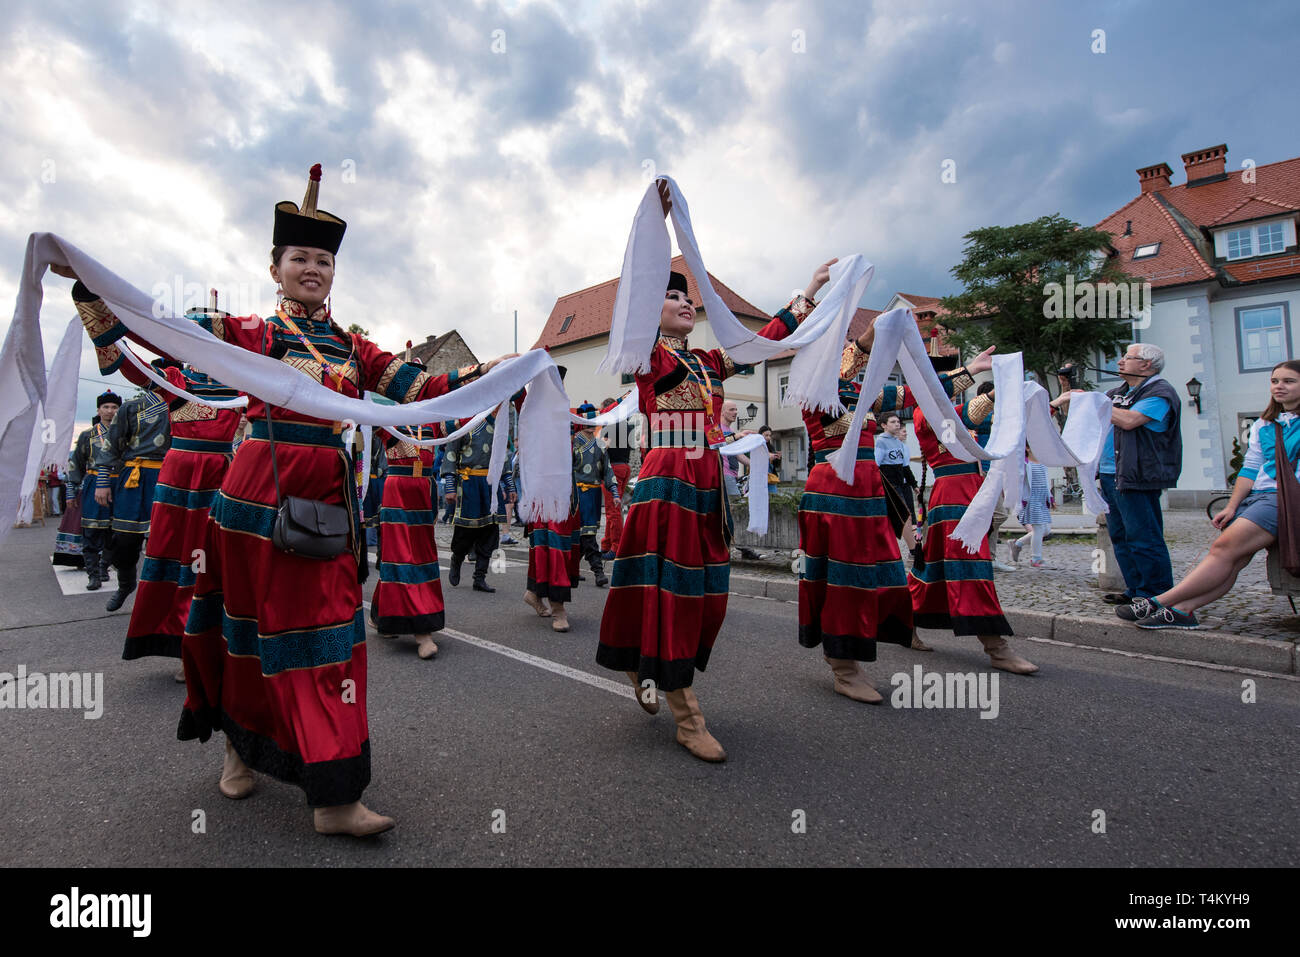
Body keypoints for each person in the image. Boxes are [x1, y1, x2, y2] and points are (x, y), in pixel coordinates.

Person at [62, 165, 516, 837]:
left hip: (326, 510)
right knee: (246, 634)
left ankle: (334, 797)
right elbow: (176, 332)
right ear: (274, 267)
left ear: (334, 271)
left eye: (323, 259)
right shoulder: (253, 332)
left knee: (333, 640)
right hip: (252, 506)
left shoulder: (353, 347)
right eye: (299, 257)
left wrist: (487, 373)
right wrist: (107, 297)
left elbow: (418, 383)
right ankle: (238, 748)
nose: (312, 267)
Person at [596, 181, 795, 760]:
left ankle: (646, 666)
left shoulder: (708, 361)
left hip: (705, 480)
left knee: (704, 594)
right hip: (667, 479)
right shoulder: (647, 358)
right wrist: (655, 229)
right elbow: (632, 300)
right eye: (672, 297)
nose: (687, 304)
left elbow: (761, 342)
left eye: (689, 300)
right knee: (671, 591)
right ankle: (689, 716)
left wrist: (804, 296)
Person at [765, 266, 986, 698]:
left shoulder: (857, 389)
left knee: (878, 575)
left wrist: (969, 372)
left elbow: (914, 394)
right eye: (839, 340)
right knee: (843, 579)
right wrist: (870, 334)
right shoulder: (811, 386)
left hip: (869, 490)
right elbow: (853, 370)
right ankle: (844, 666)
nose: (846, 347)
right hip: (834, 491)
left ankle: (870, 645)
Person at [69, 296, 243, 668]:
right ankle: (183, 644)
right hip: (181, 475)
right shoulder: (176, 379)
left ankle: (223, 641)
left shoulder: (242, 380)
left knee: (221, 559)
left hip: (225, 474)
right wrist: (95, 308)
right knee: (181, 556)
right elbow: (130, 365)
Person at [1124, 360, 1300, 629]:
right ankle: (1184, 611)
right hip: (1260, 497)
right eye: (1275, 381)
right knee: (1234, 560)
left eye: (1289, 381)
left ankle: (1157, 601)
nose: (1279, 387)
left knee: (1222, 549)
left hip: (1283, 500)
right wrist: (1232, 505)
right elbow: (1250, 469)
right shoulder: (1265, 424)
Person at [910, 375, 1040, 674]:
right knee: (972, 567)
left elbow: (1001, 425)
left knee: (932, 569)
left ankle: (902, 619)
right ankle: (997, 648)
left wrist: (1052, 404)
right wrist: (996, 392)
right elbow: (969, 414)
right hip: (953, 496)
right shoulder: (924, 414)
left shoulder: (947, 412)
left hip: (971, 493)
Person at [90, 360, 172, 613]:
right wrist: (103, 483)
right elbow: (111, 445)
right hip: (134, 477)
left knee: (170, 540)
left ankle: (166, 597)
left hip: (171, 476)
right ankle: (125, 584)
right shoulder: (131, 408)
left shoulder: (185, 405)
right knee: (125, 540)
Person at [371, 413, 444, 660]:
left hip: (424, 493)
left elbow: (463, 420)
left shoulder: (434, 422)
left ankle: (382, 614)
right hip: (397, 494)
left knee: (421, 554)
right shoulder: (391, 420)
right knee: (403, 556)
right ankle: (422, 632)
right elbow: (366, 417)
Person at [440, 412, 515, 593]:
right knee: (465, 531)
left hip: (490, 486)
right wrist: (450, 486)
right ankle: (457, 558)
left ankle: (479, 577)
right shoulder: (464, 423)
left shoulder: (497, 426)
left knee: (490, 533)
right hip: (468, 484)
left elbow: (502, 459)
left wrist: (510, 486)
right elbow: (450, 454)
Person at [65, 391, 121, 587]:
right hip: (94, 483)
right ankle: (93, 575)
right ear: (98, 410)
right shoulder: (87, 435)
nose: (110, 411)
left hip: (119, 485)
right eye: (106, 407)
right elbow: (76, 464)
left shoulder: (126, 434)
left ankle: (104, 566)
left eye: (114, 407)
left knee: (116, 532)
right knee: (92, 530)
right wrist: (71, 491)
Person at [573, 405, 619, 587]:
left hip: (594, 494)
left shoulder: (600, 444)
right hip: (578, 494)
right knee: (588, 535)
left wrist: (614, 492)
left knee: (584, 536)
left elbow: (607, 470)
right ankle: (598, 571)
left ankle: (571, 570)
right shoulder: (573, 443)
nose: (592, 427)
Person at [874, 411, 918, 547]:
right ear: (884, 425)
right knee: (904, 516)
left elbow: (904, 467)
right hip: (889, 485)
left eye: (898, 421)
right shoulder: (881, 441)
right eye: (893, 422)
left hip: (900, 484)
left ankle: (912, 548)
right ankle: (912, 549)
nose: (897, 424)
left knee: (906, 516)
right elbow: (876, 465)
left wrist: (914, 484)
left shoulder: (898, 443)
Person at [599, 396, 632, 560]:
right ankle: (606, 544)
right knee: (613, 509)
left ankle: (617, 547)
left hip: (613, 468)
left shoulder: (609, 424)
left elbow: (603, 446)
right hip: (625, 467)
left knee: (613, 511)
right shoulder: (627, 424)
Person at [1011, 446, 1051, 567]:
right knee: (1038, 529)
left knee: (1046, 530)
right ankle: (1036, 558)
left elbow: (1046, 482)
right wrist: (1020, 500)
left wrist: (1050, 497)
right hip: (1031, 500)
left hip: (1042, 500)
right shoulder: (1023, 463)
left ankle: (1017, 544)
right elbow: (1018, 482)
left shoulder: (1043, 463)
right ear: (1028, 448)